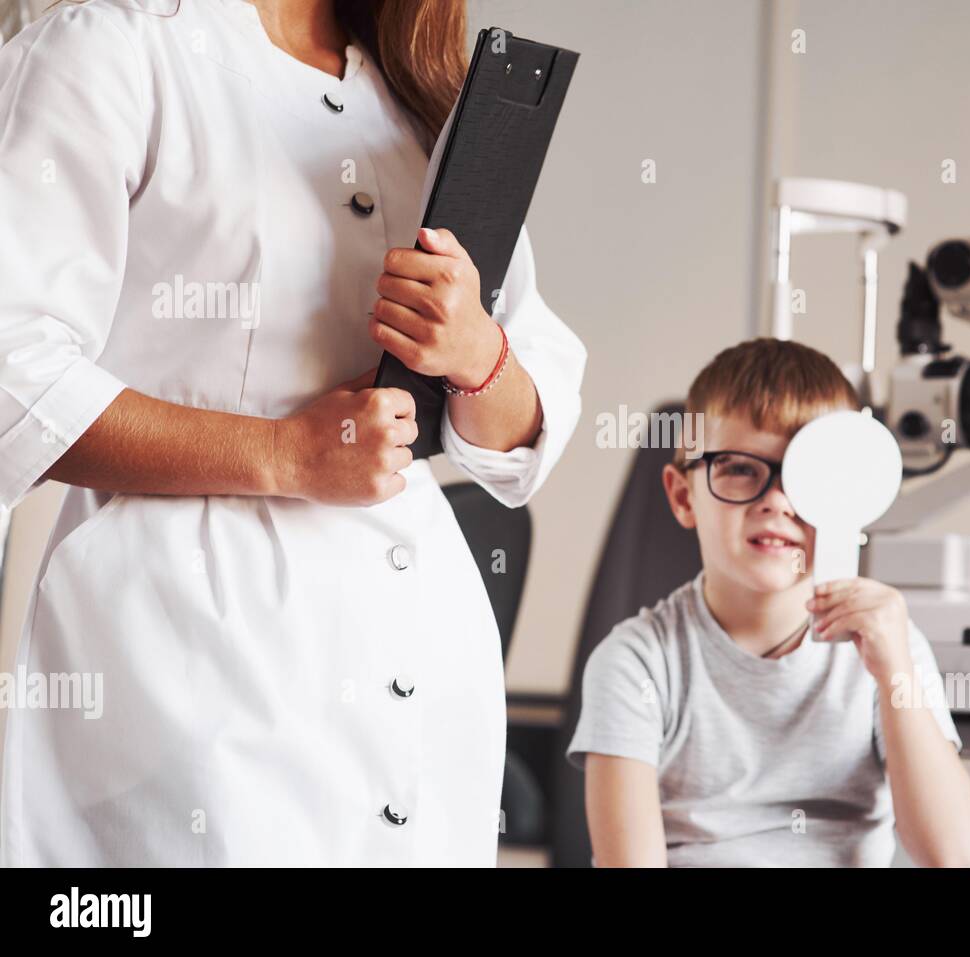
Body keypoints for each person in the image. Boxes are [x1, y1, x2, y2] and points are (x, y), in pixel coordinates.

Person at [0, 0, 584, 865]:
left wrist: (477, 354)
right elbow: (15, 368)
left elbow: (521, 435)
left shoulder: (422, 94)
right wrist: (281, 455)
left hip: (423, 666)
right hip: (186, 646)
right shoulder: (113, 45)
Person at [567, 339, 970, 867]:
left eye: (810, 476)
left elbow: (950, 854)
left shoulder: (890, 650)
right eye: (739, 468)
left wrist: (894, 669)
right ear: (682, 495)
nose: (777, 500)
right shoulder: (637, 663)